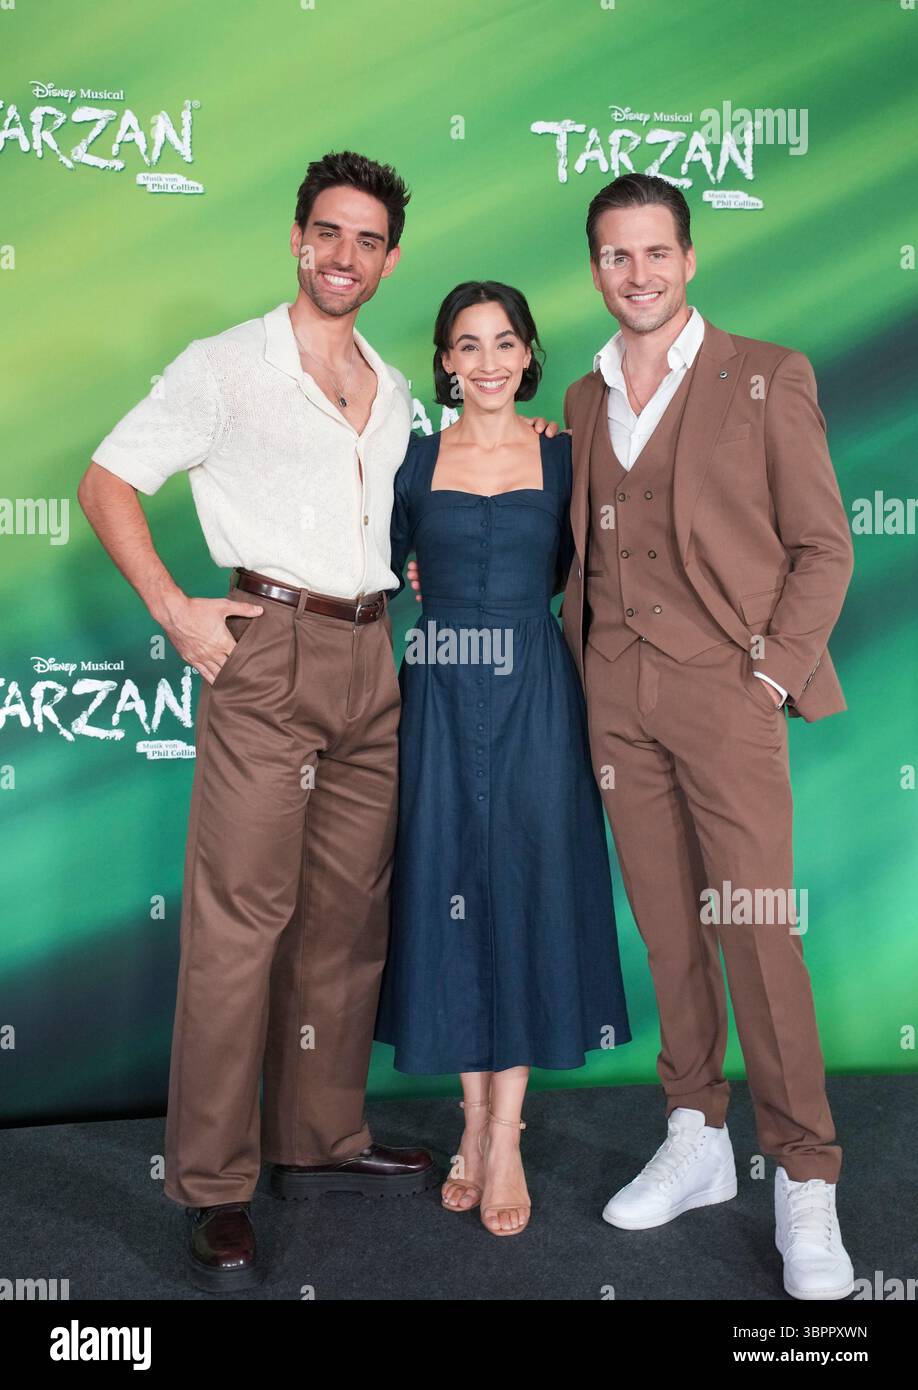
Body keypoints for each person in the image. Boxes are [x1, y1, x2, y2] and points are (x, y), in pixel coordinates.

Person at [77, 150, 441, 1292]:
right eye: (328, 233)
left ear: (389, 257)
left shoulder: (393, 383)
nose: (346, 256)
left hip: (371, 653)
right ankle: (216, 1185)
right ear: (297, 237)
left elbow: (404, 506)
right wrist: (177, 609)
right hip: (268, 650)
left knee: (346, 916)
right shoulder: (226, 363)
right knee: (243, 923)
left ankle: (321, 1134)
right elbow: (106, 479)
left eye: (368, 240)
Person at [562, 173, 855, 1299]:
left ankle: (805, 1174)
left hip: (729, 698)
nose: (636, 275)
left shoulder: (767, 376)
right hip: (617, 701)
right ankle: (697, 1135)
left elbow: (824, 546)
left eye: (655, 254)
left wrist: (770, 676)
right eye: (615, 257)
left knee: (757, 934)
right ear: (597, 268)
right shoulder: (585, 403)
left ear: (690, 259)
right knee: (670, 931)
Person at [374, 283, 632, 1237]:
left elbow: (603, 564)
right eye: (466, 345)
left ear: (529, 355)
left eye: (505, 343)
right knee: (449, 889)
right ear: (444, 361)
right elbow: (383, 564)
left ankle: (509, 1136)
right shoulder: (411, 461)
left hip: (534, 692)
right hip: (436, 692)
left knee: (522, 889)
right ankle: (469, 1125)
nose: (486, 361)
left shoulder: (567, 457)